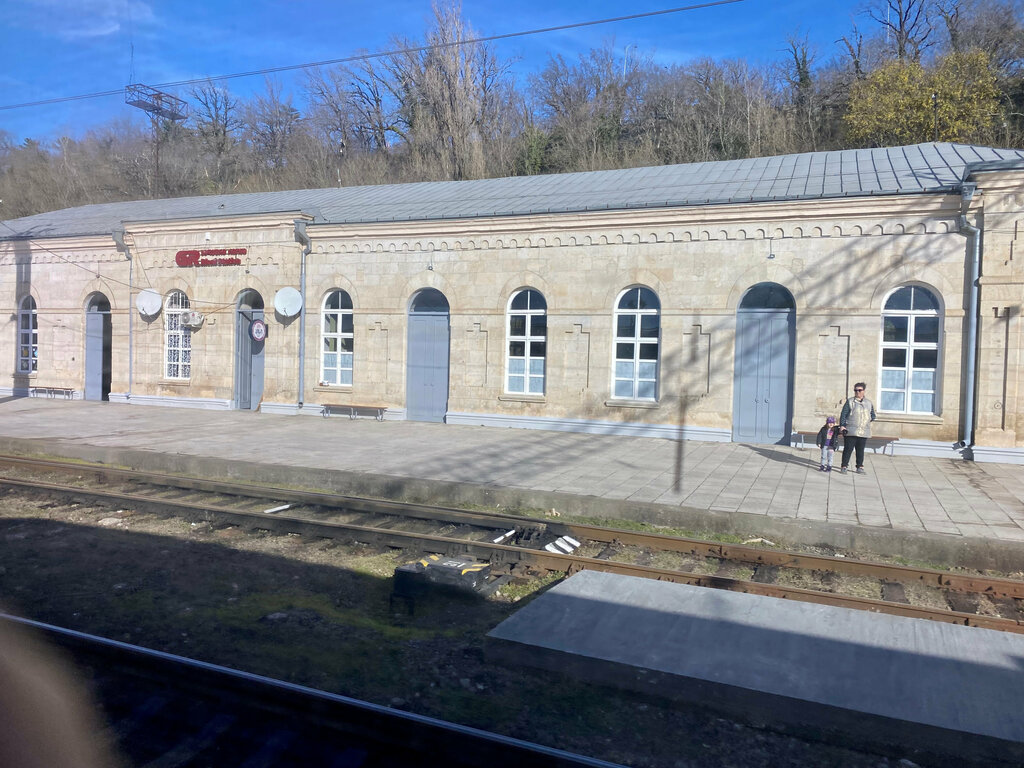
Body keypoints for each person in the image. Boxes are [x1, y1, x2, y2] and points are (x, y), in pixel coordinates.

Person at [839, 382, 876, 474]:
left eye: (859, 390)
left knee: (860, 450)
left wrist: (867, 421)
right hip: (850, 430)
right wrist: (842, 425)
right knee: (848, 449)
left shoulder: (868, 403)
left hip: (863, 431)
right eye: (855, 390)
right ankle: (844, 466)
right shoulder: (850, 401)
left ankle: (860, 466)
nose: (857, 392)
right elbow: (843, 414)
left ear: (864, 391)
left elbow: (873, 415)